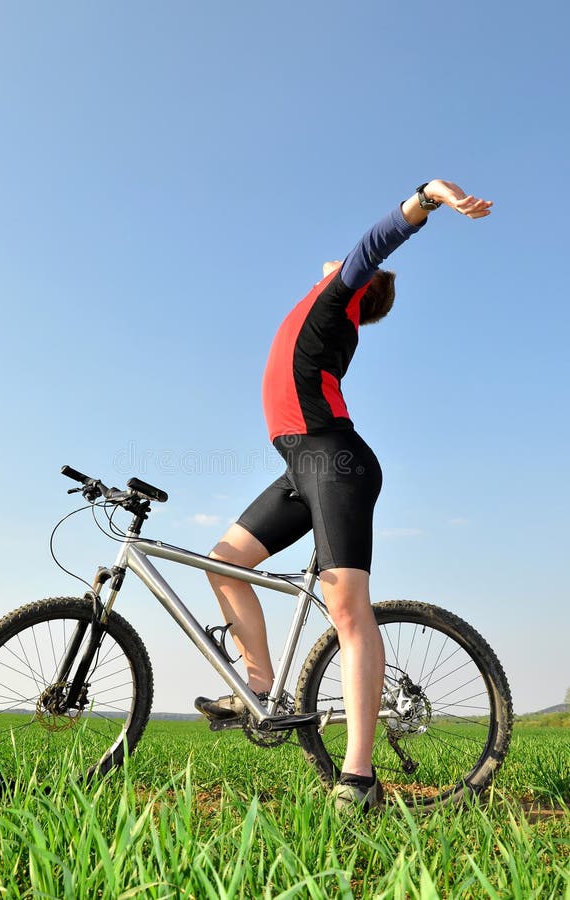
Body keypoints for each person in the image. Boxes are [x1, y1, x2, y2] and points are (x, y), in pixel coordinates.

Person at [194, 180, 492, 811]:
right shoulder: (326, 306)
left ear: (359, 285)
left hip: (336, 461)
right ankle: (259, 684)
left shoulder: (336, 303)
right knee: (224, 563)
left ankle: (357, 777)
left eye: (351, 270)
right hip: (302, 465)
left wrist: (430, 195)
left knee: (348, 612)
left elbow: (375, 239)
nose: (333, 262)